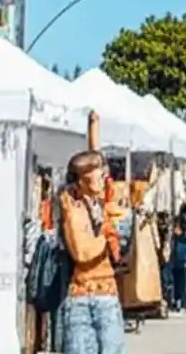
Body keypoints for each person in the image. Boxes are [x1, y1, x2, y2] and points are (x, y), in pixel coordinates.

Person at [59, 150, 126, 354]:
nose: (102, 178)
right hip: (81, 295)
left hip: (107, 294)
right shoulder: (73, 208)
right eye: (97, 173)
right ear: (82, 180)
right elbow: (82, 252)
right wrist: (105, 237)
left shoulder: (102, 206)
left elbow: (121, 242)